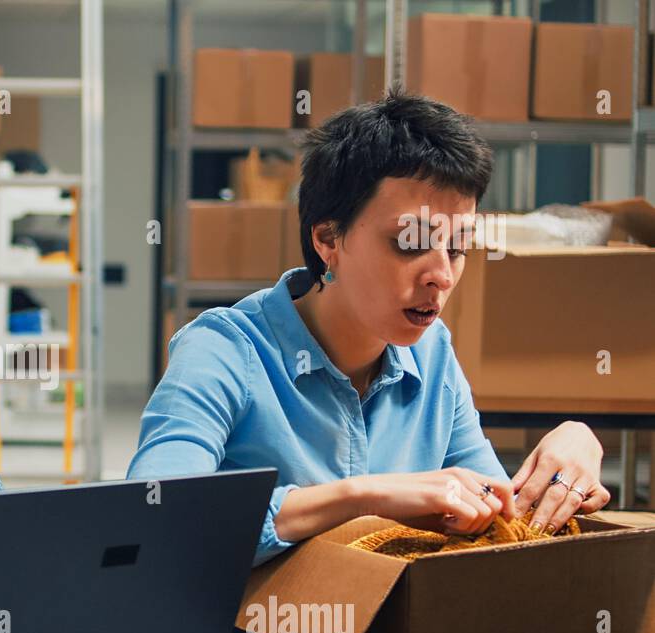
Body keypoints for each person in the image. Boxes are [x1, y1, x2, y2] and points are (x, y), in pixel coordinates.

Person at [129, 89, 610, 567]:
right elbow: (154, 521)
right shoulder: (224, 351)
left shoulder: (432, 353)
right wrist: (359, 498)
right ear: (328, 239)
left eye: (457, 248)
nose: (441, 274)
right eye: (408, 242)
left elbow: (495, 511)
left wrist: (567, 452)